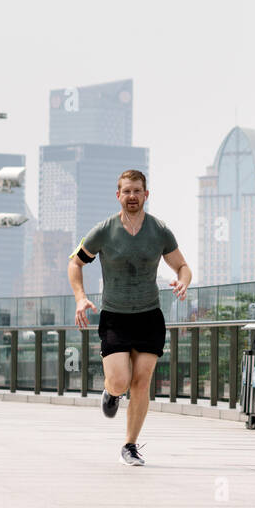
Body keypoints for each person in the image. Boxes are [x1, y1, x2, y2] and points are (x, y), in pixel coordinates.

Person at [69, 170, 190, 466]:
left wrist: (183, 281)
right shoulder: (104, 231)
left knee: (141, 381)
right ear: (118, 195)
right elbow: (75, 263)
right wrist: (81, 298)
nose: (132, 196)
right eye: (127, 191)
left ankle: (130, 445)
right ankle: (111, 392)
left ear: (146, 195)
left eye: (137, 191)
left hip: (149, 316)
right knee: (121, 380)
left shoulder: (159, 231)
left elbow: (182, 265)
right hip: (115, 316)